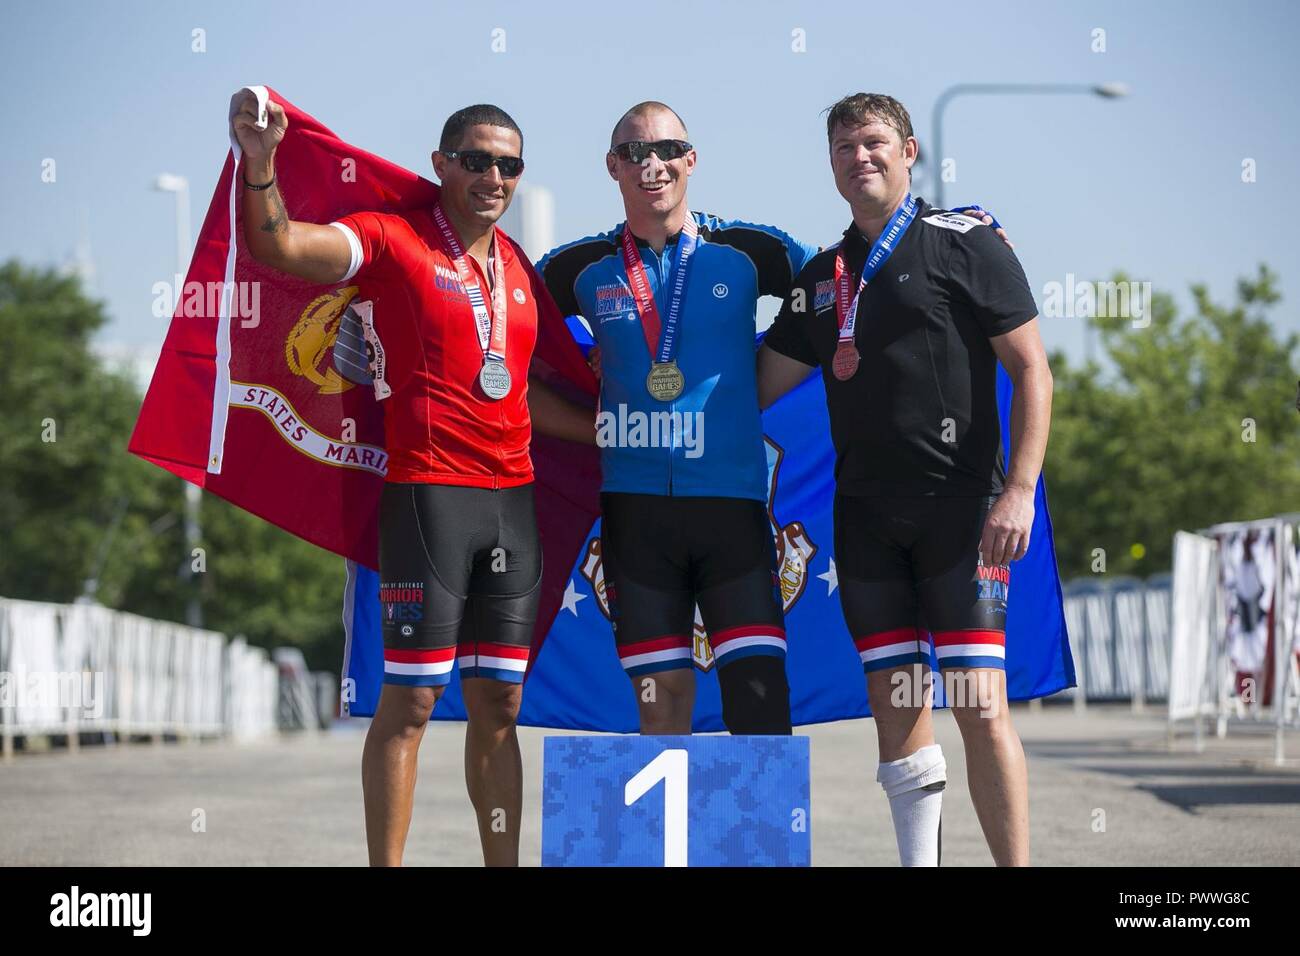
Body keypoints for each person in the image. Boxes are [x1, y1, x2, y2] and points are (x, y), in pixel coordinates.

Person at [229, 90, 592, 867]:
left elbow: (520, 386)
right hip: (430, 499)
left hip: (513, 503)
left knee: (501, 702)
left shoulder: (518, 271)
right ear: (441, 165)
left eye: (508, 164)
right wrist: (259, 164)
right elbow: (281, 248)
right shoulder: (395, 242)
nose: (493, 176)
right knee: (413, 701)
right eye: (475, 161)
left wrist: (611, 430)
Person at [758, 93, 1052, 866]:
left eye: (876, 141)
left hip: (965, 516)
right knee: (895, 706)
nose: (862, 157)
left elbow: (1033, 371)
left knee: (980, 706)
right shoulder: (822, 278)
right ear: (830, 164)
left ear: (910, 150)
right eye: (845, 146)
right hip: (865, 523)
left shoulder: (968, 244)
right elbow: (753, 385)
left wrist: (1019, 489)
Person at [536, 102, 819, 736]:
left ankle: (758, 839)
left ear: (691, 160)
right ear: (612, 167)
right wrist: (600, 427)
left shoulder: (752, 250)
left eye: (667, 150)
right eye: (634, 153)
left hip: (734, 508)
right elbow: (497, 338)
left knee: (758, 694)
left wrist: (954, 229)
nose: (652, 165)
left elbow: (850, 280)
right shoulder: (574, 268)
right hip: (635, 513)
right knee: (659, 705)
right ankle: (670, 839)